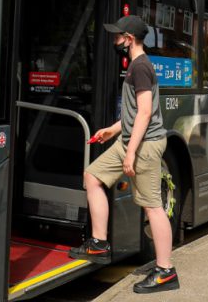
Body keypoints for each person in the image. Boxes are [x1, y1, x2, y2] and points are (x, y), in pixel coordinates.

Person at [69, 15, 178, 294]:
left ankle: (166, 271)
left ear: (128, 39)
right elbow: (134, 114)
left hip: (144, 145)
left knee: (152, 205)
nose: (114, 39)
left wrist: (130, 152)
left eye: (117, 35)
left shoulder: (141, 67)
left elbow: (145, 112)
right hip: (130, 139)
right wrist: (113, 130)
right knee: (92, 177)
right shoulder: (136, 66)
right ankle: (99, 244)